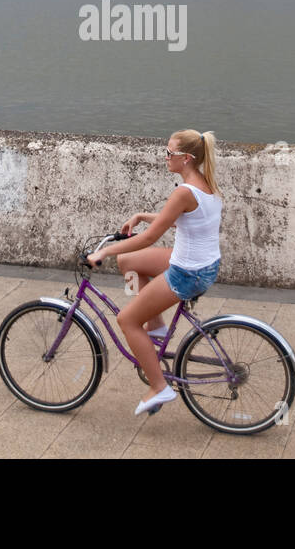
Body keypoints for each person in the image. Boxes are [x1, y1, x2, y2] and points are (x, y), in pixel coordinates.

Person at [86, 129, 222, 415]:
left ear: (185, 158)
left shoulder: (183, 192)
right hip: (203, 264)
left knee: (127, 321)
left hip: (188, 272)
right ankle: (156, 324)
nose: (165, 157)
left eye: (169, 153)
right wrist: (142, 216)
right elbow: (178, 221)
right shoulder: (206, 183)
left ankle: (159, 387)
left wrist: (105, 252)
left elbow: (149, 238)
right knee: (129, 263)